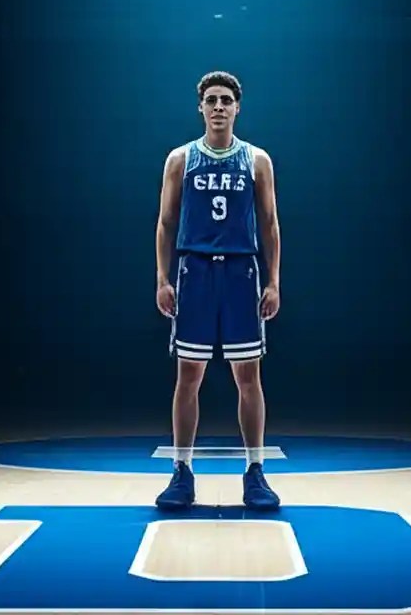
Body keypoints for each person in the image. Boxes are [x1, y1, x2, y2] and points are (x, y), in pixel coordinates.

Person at [153, 71, 282, 511]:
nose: (219, 106)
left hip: (241, 271)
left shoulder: (257, 160)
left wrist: (274, 280)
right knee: (188, 375)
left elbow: (269, 224)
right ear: (201, 107)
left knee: (249, 376)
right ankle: (181, 473)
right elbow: (167, 221)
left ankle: (255, 472)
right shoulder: (180, 159)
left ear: (238, 107)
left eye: (226, 99)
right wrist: (163, 277)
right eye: (212, 100)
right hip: (195, 269)